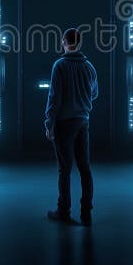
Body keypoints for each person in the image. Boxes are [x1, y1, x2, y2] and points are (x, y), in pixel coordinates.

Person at [44, 28, 98, 226]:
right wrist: (82, 101)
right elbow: (95, 93)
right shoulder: (89, 66)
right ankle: (86, 212)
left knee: (64, 169)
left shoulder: (60, 65)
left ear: (63, 42)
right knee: (85, 167)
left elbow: (54, 98)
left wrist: (49, 123)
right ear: (80, 43)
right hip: (83, 121)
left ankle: (64, 210)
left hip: (64, 123)